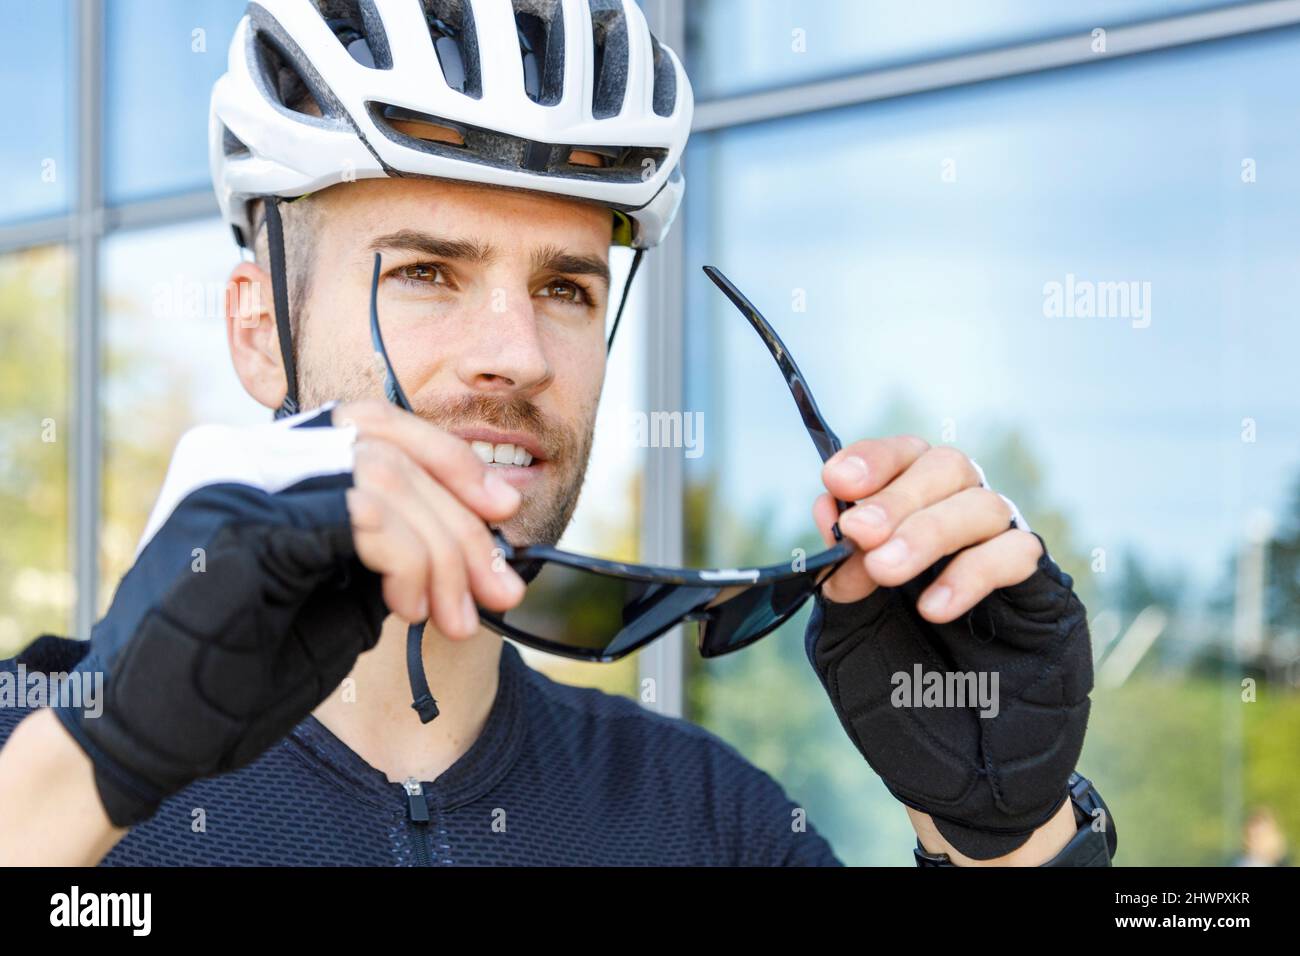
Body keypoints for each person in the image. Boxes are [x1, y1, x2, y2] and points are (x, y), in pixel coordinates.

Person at [0, 0, 1111, 867]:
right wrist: (85, 776)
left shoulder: (710, 819)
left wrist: (1005, 842)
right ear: (258, 332)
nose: (518, 352)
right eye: (430, 271)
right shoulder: (32, 749)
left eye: (567, 288)